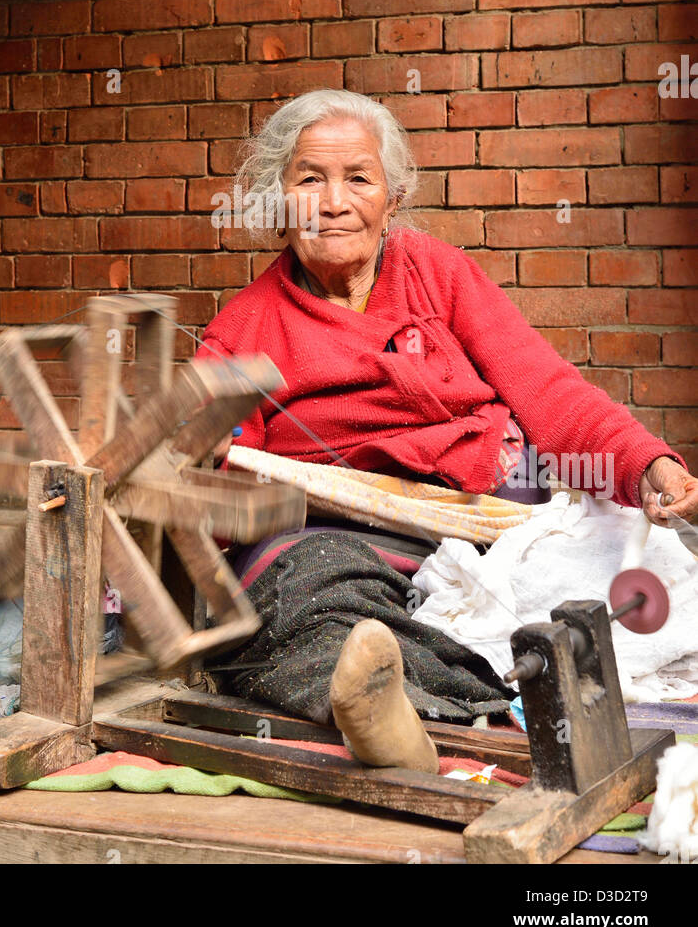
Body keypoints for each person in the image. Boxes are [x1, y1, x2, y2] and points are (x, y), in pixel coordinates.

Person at [193, 89, 697, 771]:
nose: (333, 202)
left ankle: (482, 690)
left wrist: (647, 466)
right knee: (297, 594)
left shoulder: (440, 275)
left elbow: (549, 393)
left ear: (392, 198)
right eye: (309, 179)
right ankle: (410, 712)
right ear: (276, 199)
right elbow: (216, 492)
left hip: (492, 518)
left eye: (358, 178)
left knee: (631, 565)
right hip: (349, 544)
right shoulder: (242, 332)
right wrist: (208, 460)